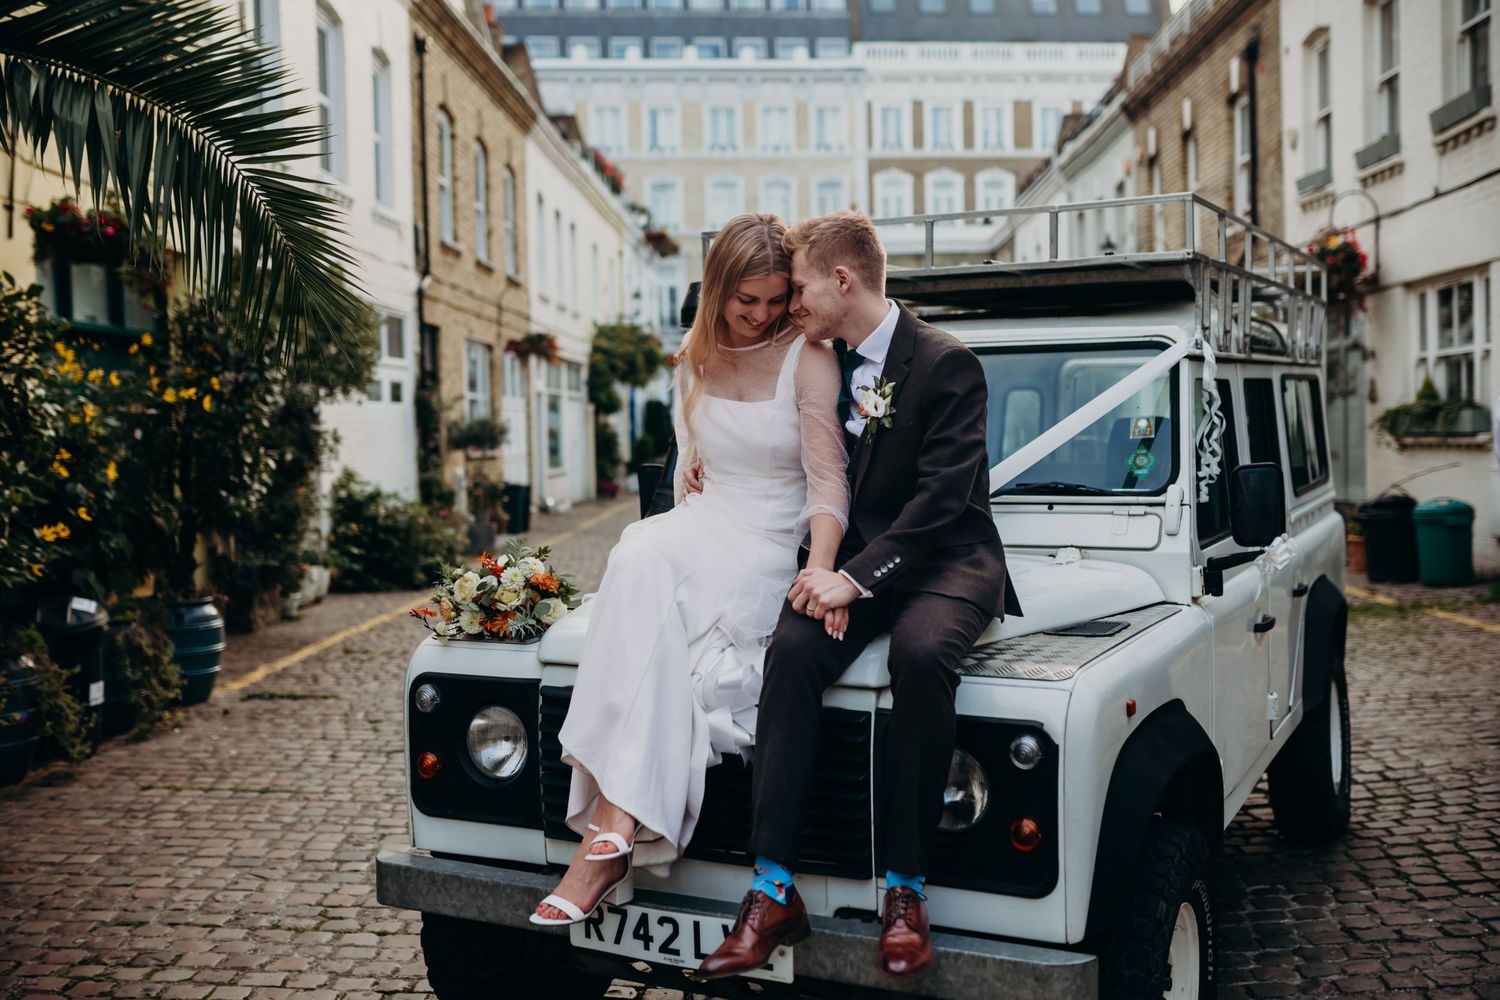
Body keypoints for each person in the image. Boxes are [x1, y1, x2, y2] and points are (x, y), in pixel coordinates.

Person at [696, 210, 1022, 979]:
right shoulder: (821, 354)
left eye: (799, 288)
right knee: (792, 649)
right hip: (858, 563)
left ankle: (906, 890)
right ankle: (772, 887)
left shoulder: (947, 363)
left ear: (841, 280)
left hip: (947, 561)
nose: (789, 304)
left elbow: (943, 501)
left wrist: (854, 578)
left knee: (920, 655)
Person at [530, 213, 850, 926]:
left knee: (657, 606)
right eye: (746, 301)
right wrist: (691, 480)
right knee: (635, 552)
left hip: (772, 537)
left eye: (776, 300)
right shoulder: (694, 358)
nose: (761, 315)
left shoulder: (809, 357)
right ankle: (618, 825)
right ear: (717, 290)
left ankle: (606, 837)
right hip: (707, 520)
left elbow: (829, 482)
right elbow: (690, 468)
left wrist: (823, 569)